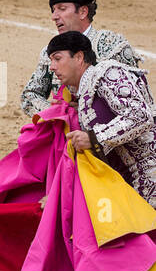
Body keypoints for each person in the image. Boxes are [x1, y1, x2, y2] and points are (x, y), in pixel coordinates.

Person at [49, 30, 156, 206]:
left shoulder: (106, 73)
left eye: (57, 58)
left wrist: (94, 137)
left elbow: (140, 116)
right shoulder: (84, 95)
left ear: (79, 57)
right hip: (132, 178)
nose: (52, 67)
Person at [21, 0, 141, 115]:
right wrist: (57, 112)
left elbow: (136, 101)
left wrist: (84, 111)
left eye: (62, 9)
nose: (54, 16)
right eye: (53, 10)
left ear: (83, 12)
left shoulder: (111, 46)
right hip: (68, 132)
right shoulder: (50, 52)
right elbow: (29, 96)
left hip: (107, 131)